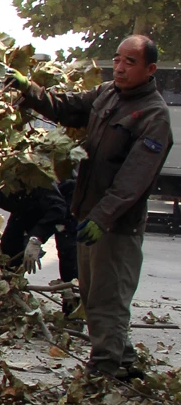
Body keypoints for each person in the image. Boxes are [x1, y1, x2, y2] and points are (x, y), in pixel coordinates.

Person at [9, 35, 173, 379]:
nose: (121, 67)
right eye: (117, 59)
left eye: (130, 62)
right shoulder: (108, 94)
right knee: (93, 293)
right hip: (88, 217)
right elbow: (66, 107)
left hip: (116, 225)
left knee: (107, 299)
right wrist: (29, 90)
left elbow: (134, 179)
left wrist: (101, 216)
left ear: (150, 69)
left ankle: (104, 373)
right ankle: (123, 360)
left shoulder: (154, 116)